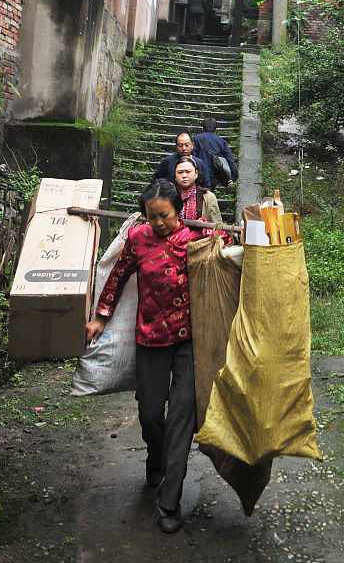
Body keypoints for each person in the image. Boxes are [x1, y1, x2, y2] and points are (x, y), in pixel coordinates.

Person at [85, 180, 231, 533]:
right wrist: (101, 316)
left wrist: (240, 230)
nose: (159, 223)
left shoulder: (194, 238)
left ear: (177, 211)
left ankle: (169, 503)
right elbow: (118, 277)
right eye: (152, 217)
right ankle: (156, 453)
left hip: (187, 340)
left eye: (164, 215)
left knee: (182, 418)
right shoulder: (138, 239)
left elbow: (230, 246)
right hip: (150, 337)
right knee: (150, 414)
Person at [173, 156, 221, 225]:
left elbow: (217, 226)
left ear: (196, 174)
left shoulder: (208, 197)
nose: (184, 175)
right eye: (180, 172)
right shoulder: (168, 195)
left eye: (188, 172)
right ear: (175, 175)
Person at [194, 118, 237, 188]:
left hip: (199, 173)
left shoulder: (196, 139)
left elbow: (192, 155)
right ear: (216, 130)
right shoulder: (221, 141)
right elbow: (230, 159)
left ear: (202, 128)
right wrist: (233, 176)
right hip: (214, 174)